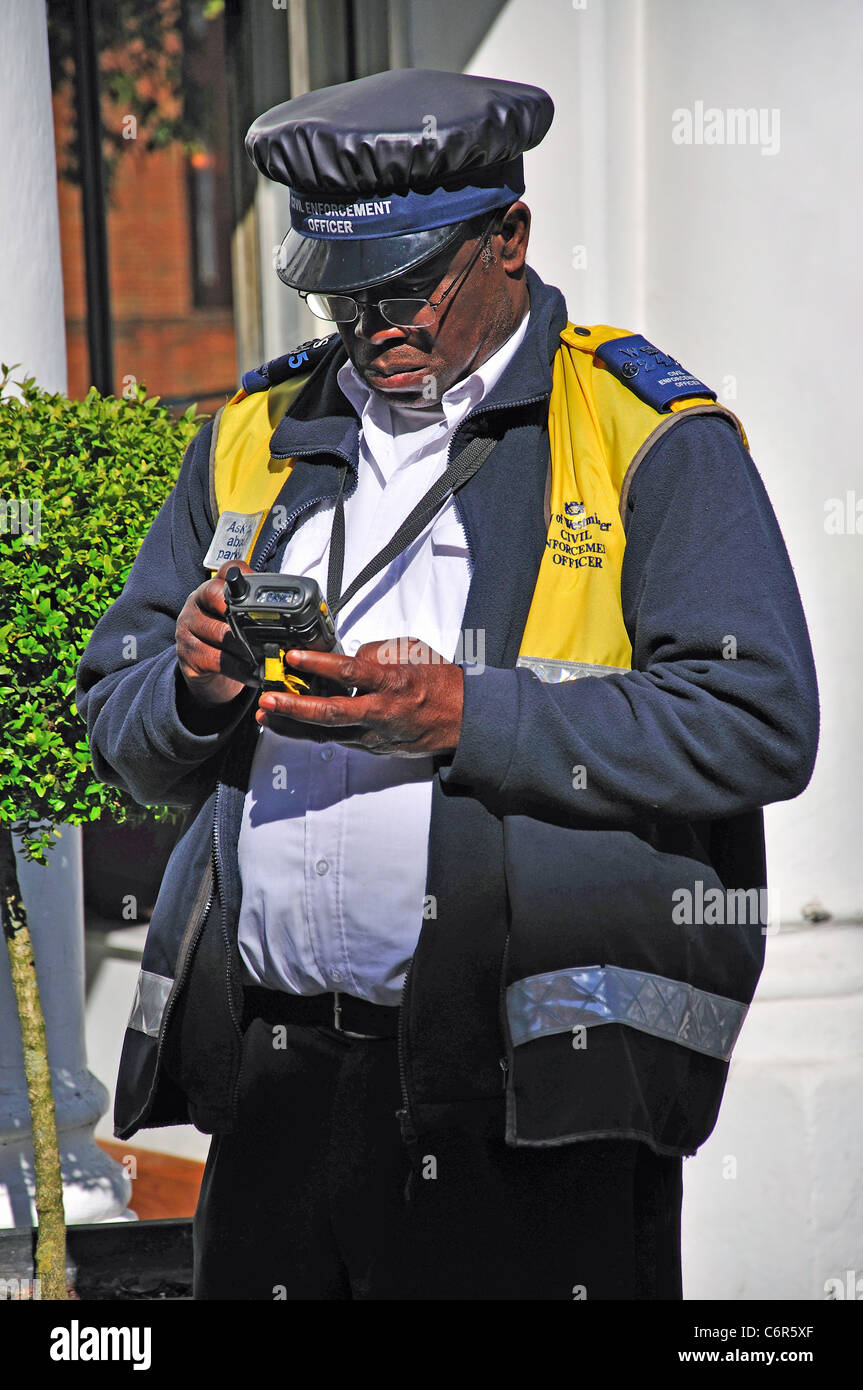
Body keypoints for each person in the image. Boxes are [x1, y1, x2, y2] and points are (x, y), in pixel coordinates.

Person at [76, 68, 819, 1301]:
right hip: (279, 1089)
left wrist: (470, 713)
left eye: (411, 284)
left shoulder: (648, 434)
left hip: (526, 1100)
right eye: (343, 290)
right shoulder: (250, 436)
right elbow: (120, 719)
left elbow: (757, 721)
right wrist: (193, 686)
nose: (376, 326)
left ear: (508, 241)